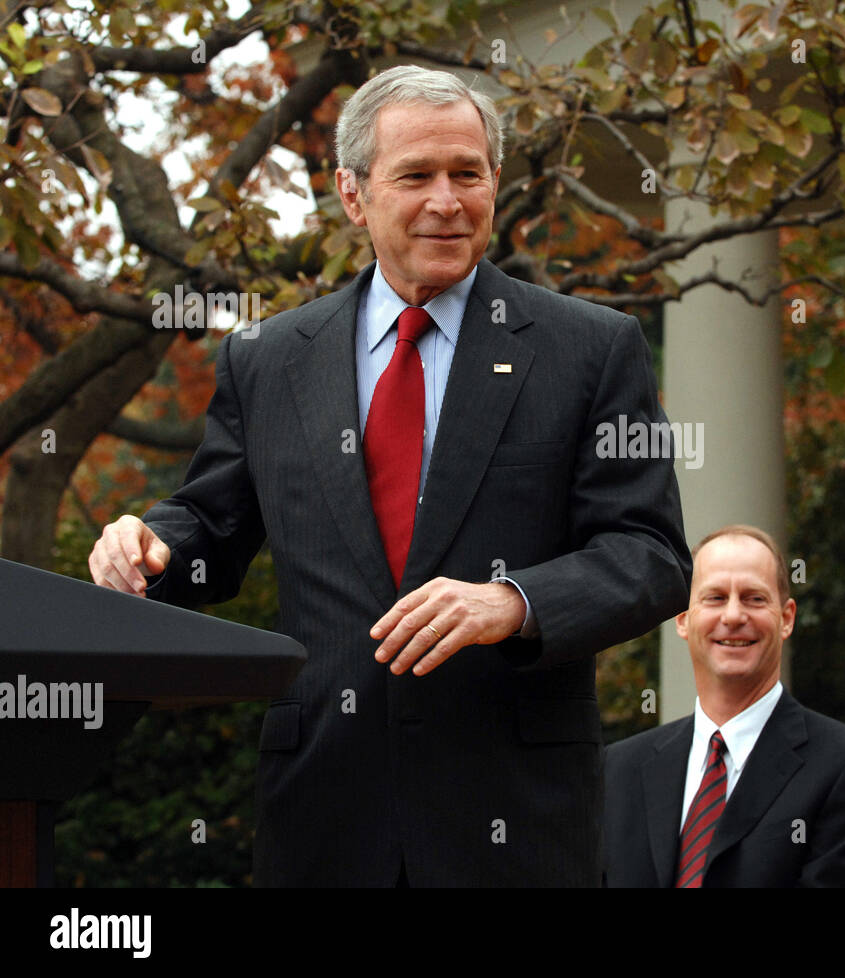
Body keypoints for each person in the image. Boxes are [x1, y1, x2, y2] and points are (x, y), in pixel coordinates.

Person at [88, 66, 691, 886]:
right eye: (416, 176)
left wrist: (510, 603)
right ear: (352, 192)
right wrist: (148, 544)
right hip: (322, 817)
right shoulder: (269, 359)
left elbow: (650, 557)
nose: (447, 200)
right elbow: (213, 529)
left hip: (514, 819)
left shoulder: (591, 349)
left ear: (494, 182)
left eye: (466, 174)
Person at [603, 525, 845, 887]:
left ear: (787, 618)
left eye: (754, 598)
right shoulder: (618, 770)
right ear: (682, 617)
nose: (733, 616)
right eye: (714, 598)